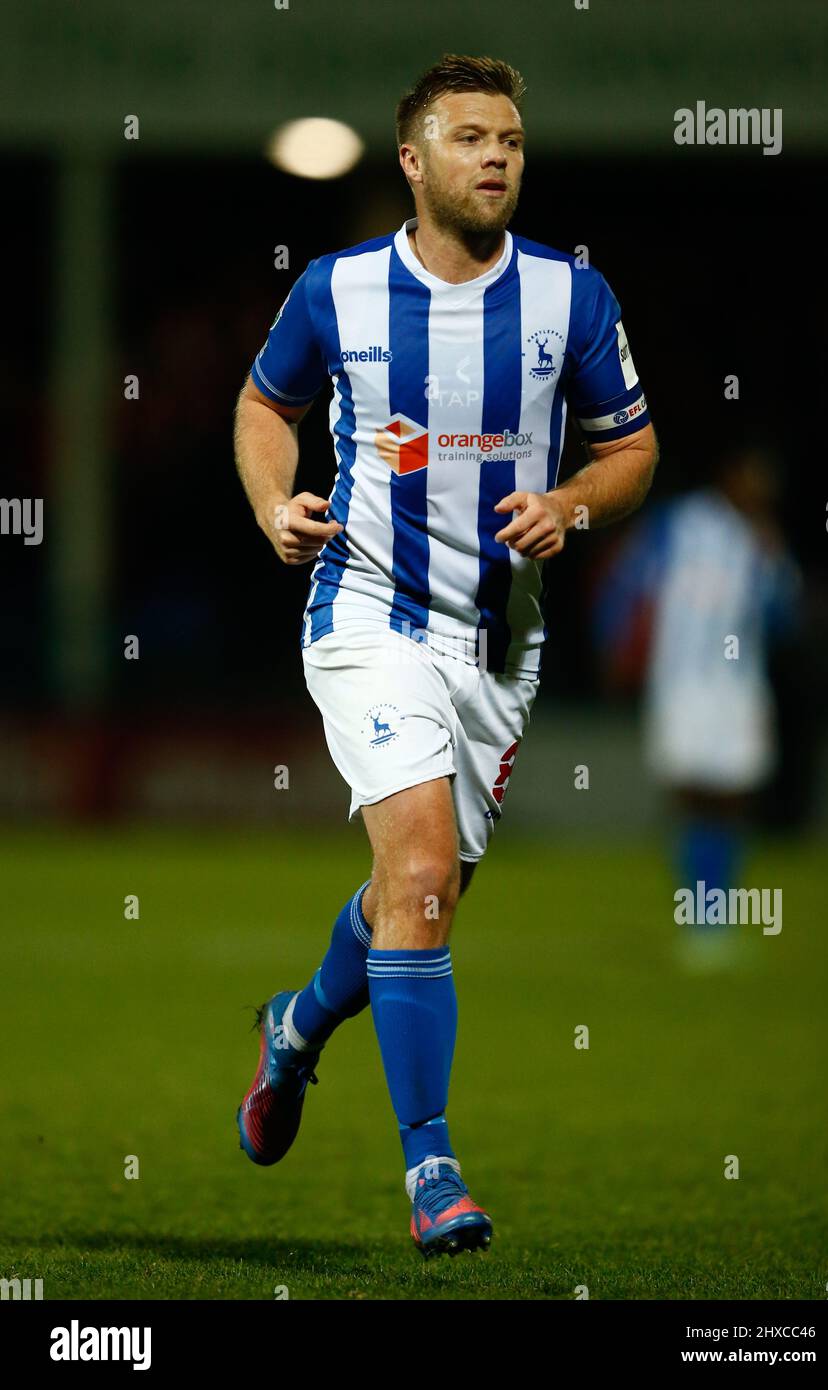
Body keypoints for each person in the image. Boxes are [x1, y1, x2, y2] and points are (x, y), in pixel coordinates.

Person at [233, 53, 657, 1257]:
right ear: (413, 162)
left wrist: (572, 503)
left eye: (510, 140)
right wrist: (276, 502)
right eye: (470, 138)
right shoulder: (338, 290)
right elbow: (266, 406)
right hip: (367, 618)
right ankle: (432, 1172)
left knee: (413, 902)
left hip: (497, 645)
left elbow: (631, 449)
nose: (496, 158)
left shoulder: (573, 299)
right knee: (419, 874)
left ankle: (296, 1031)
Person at [594, 446, 800, 968]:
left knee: (731, 797)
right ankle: (703, 920)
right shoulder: (677, 525)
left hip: (737, 687)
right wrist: (617, 643)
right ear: (730, 476)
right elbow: (625, 582)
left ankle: (715, 918)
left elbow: (782, 619)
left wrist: (773, 561)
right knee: (692, 796)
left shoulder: (759, 541)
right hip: (682, 683)